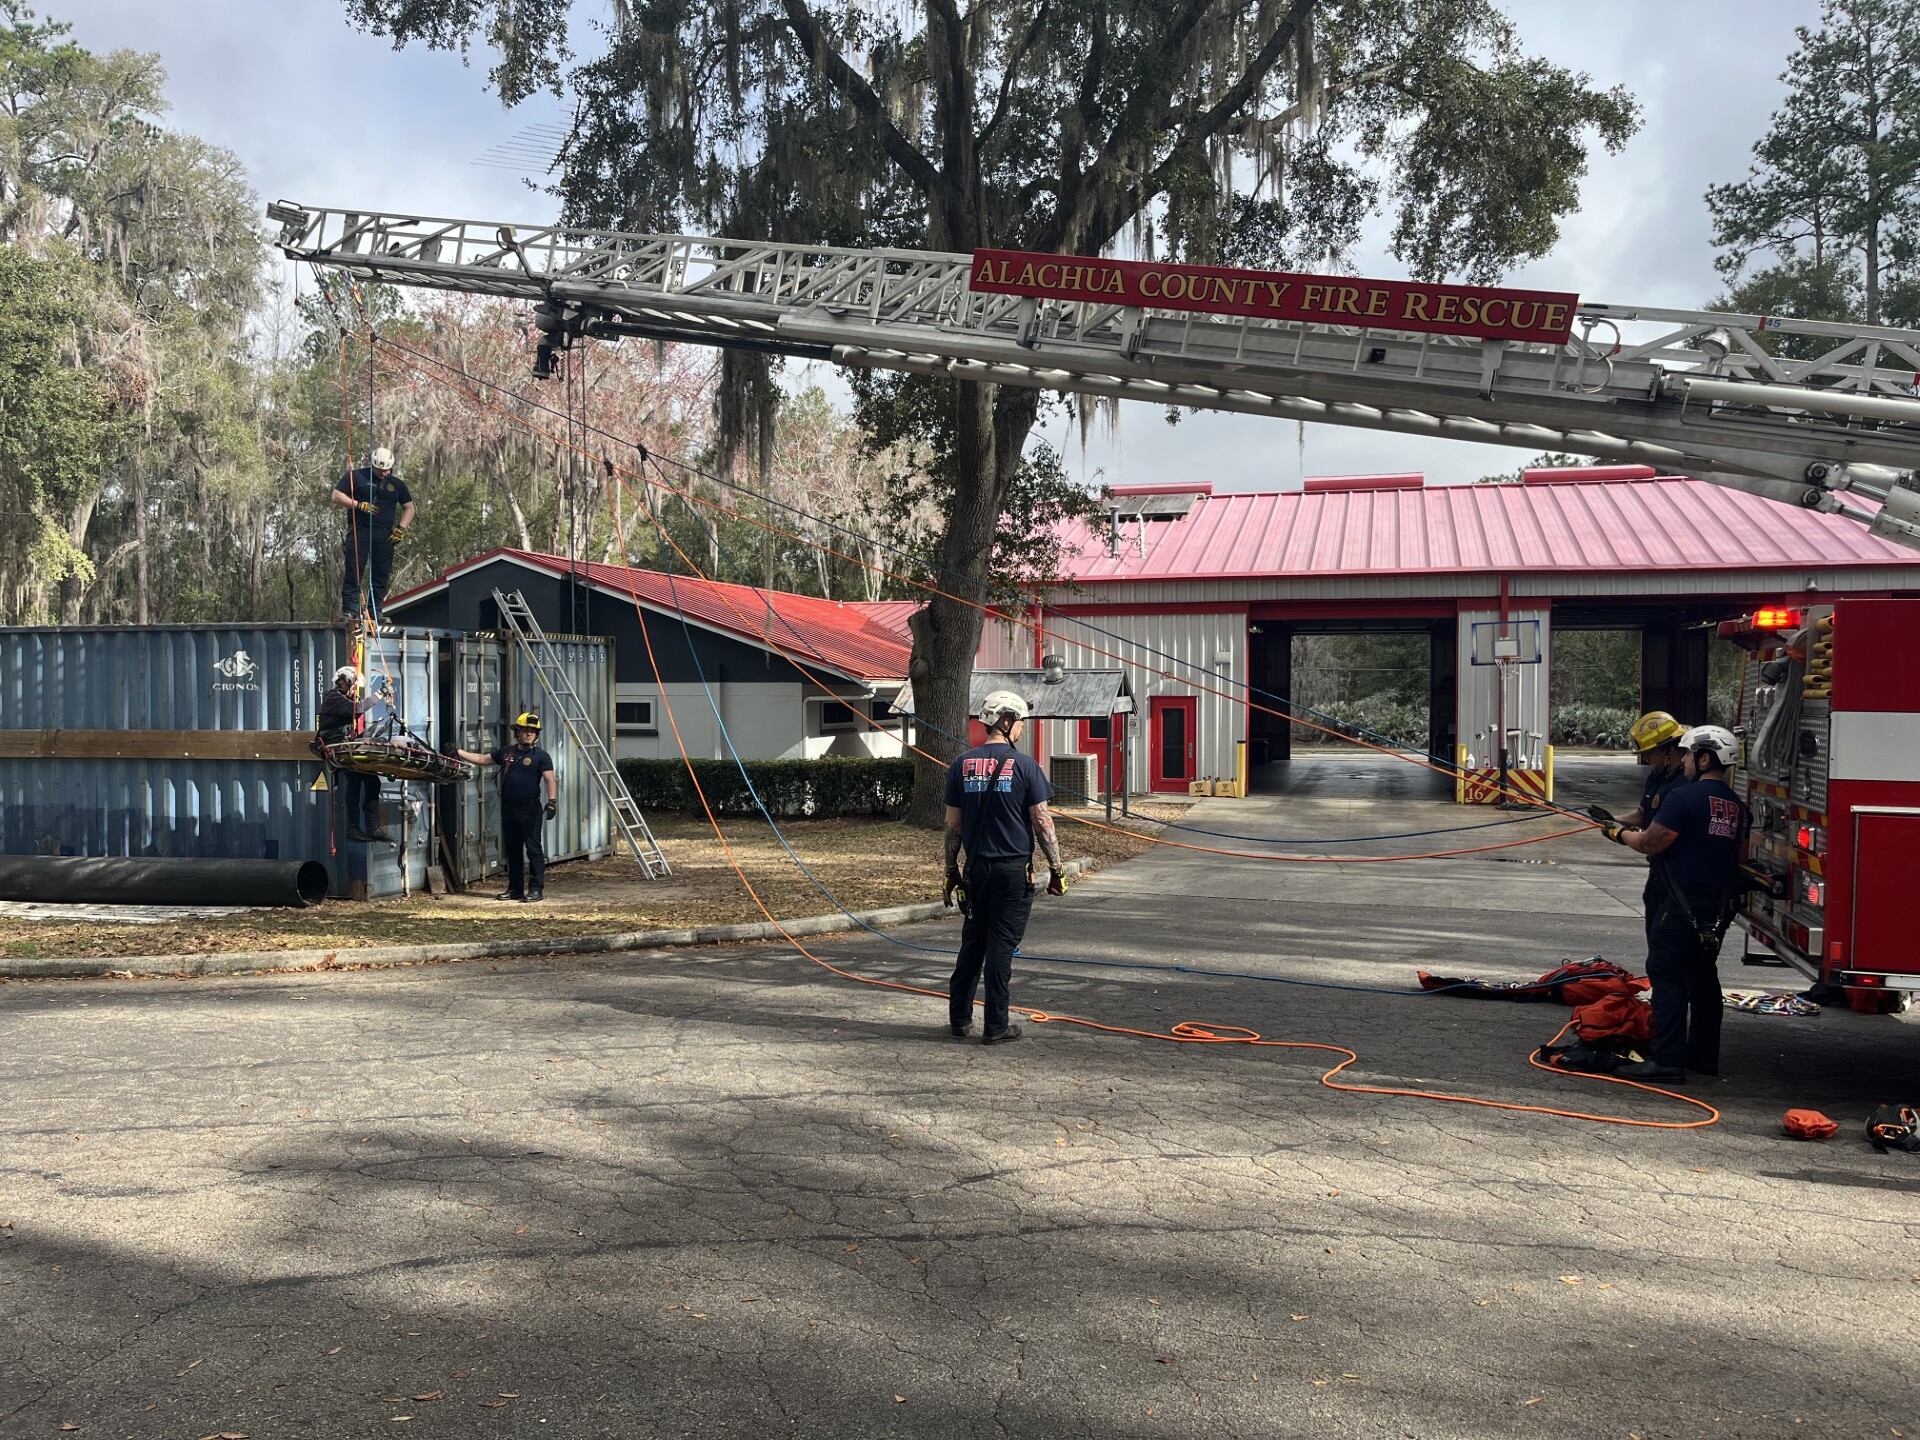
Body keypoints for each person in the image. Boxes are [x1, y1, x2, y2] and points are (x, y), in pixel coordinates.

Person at [1600, 725, 1749, 1082]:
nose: (1683, 761)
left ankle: (1666, 1060)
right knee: (1702, 977)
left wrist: (1618, 834)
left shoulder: (1685, 798)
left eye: (1687, 754)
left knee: (1666, 976)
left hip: (1679, 904)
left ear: (1703, 758)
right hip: (1716, 908)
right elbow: (1738, 857)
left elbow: (1654, 841)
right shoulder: (1737, 808)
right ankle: (1702, 1057)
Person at [942, 690, 1068, 1045]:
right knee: (1000, 946)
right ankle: (996, 1025)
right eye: (1021, 724)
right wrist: (1057, 870)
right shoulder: (1026, 766)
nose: (1022, 732)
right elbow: (1042, 823)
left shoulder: (961, 766)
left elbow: (952, 826)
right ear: (1007, 721)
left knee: (973, 944)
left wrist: (951, 871)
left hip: (976, 870)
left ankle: (959, 1018)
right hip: (1012, 872)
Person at [1589, 710, 1691, 940]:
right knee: (1655, 938)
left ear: (1668, 750)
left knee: (1666, 946)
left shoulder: (1683, 785)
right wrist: (1614, 819)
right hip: (1658, 873)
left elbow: (1653, 840)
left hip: (1677, 877)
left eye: (1649, 753)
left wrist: (1620, 834)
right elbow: (1644, 813)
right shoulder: (1657, 776)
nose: (1645, 759)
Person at [456, 712, 558, 902]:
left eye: (533, 731)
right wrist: (459, 753)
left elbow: (550, 779)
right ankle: (515, 889)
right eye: (525, 730)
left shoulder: (541, 756)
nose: (529, 734)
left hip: (530, 809)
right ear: (517, 732)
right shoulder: (506, 752)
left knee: (533, 849)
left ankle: (536, 890)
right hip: (509, 808)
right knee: (513, 850)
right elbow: (482, 759)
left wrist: (552, 801)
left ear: (537, 735)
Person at [331, 445, 414, 623]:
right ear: (373, 465)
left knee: (381, 574)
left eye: (387, 470)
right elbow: (336, 496)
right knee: (354, 570)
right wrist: (358, 504)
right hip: (360, 530)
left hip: (385, 535)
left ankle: (375, 612)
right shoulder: (357, 476)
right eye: (380, 470)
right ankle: (350, 611)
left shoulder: (397, 484)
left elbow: (409, 508)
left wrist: (401, 529)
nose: (383, 473)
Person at [317, 665, 389, 843]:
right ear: (344, 682)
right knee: (357, 783)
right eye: (353, 686)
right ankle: (355, 828)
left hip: (343, 745)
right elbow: (359, 708)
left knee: (370, 780)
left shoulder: (341, 699)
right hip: (337, 747)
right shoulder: (333, 698)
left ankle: (370, 827)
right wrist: (381, 693)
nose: (353, 691)